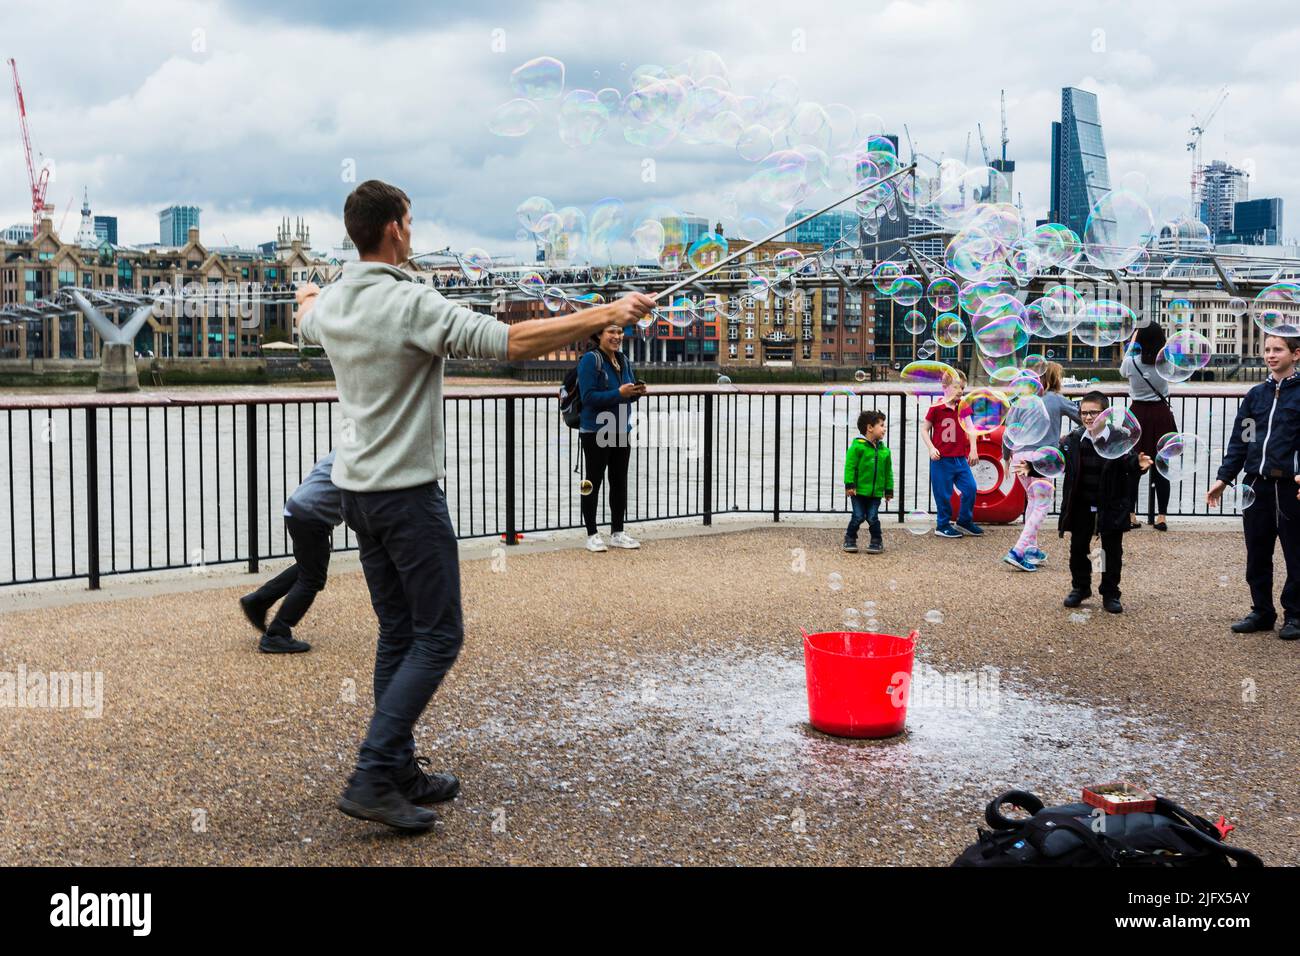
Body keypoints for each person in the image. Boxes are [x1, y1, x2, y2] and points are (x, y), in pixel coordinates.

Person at [296, 180, 655, 832]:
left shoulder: (338, 301)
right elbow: (511, 342)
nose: (413, 228)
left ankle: (398, 767)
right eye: (410, 219)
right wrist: (602, 315)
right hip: (406, 497)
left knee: (399, 632)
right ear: (397, 231)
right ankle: (373, 773)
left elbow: (306, 312)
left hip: (355, 494)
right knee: (439, 635)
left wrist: (307, 290)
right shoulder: (411, 303)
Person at [1207, 333, 1300, 640]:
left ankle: (1295, 615)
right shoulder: (1255, 396)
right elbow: (1241, 441)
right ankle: (1262, 611)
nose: (1271, 355)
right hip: (1256, 486)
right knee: (1257, 553)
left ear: (1295, 354)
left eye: (1278, 350)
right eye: (1267, 350)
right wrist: (1223, 479)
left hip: (1290, 486)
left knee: (1296, 554)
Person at [1057, 391, 1153, 614]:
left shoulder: (1119, 438)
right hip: (1081, 503)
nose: (1088, 417)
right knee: (1078, 548)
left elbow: (1129, 462)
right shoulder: (1073, 439)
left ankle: (1110, 592)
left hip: (1110, 503)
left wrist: (1138, 464)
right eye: (1084, 413)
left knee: (1110, 551)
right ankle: (1080, 588)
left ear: (1106, 414)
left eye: (1093, 413)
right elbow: (1057, 461)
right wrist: (1033, 468)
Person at [238, 450, 341, 654]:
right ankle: (277, 634)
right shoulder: (362, 455)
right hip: (312, 515)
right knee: (312, 579)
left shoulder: (345, 448)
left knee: (309, 566)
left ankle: (259, 600)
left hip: (297, 508)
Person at [1003, 361, 1081, 571]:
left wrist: (1005, 458)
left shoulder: (1022, 401)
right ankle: (1018, 551)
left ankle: (1031, 549)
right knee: (1042, 505)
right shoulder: (1056, 399)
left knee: (1032, 501)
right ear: (1056, 380)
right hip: (1042, 458)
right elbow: (1084, 418)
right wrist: (1069, 437)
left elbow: (1008, 431)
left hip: (1019, 456)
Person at [578, 324, 646, 552]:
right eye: (612, 332)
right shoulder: (590, 359)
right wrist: (619, 393)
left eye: (620, 332)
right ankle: (592, 535)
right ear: (598, 334)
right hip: (595, 430)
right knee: (592, 482)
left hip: (620, 428)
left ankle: (618, 532)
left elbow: (625, 396)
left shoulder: (623, 359)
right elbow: (588, 397)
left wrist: (635, 393)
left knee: (619, 482)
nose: (617, 337)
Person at [1121, 323, 1179, 531]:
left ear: (1140, 340)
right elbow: (1172, 373)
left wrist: (1133, 343)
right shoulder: (1165, 363)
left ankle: (1131, 515)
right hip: (1160, 415)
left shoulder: (1131, 363)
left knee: (1132, 467)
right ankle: (1161, 517)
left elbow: (1121, 370)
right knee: (1161, 467)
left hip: (1136, 415)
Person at [922, 369, 983, 538]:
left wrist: (973, 449)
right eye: (957, 387)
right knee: (943, 494)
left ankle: (964, 521)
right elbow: (925, 429)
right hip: (941, 459)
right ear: (945, 387)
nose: (961, 392)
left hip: (960, 458)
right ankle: (942, 525)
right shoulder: (936, 407)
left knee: (970, 488)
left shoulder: (962, 406)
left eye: (962, 388)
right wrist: (931, 448)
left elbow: (971, 428)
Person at [843, 409, 893, 554]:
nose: (885, 428)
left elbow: (888, 472)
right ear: (870, 428)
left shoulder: (885, 451)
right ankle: (850, 538)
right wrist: (849, 484)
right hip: (858, 491)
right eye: (882, 425)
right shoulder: (857, 447)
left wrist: (888, 490)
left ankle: (877, 541)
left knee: (872, 517)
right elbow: (849, 467)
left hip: (876, 493)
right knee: (858, 516)